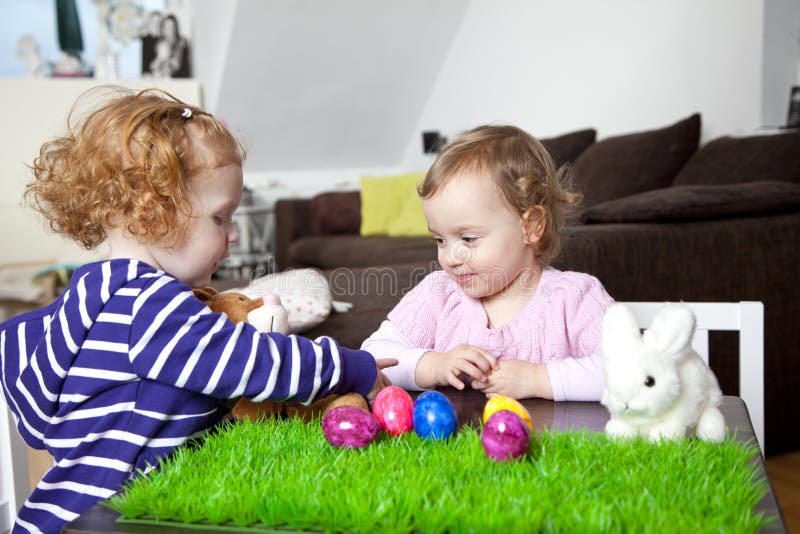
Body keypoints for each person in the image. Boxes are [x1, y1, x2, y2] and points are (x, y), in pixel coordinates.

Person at [0, 87, 394, 534]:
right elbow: (250, 361)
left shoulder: (99, 294)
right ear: (153, 214)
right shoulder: (147, 307)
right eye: (220, 218)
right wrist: (350, 366)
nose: (234, 237)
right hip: (99, 520)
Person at [362, 124, 614, 402]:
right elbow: (373, 356)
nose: (449, 257)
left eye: (468, 238)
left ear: (530, 225)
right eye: (440, 240)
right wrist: (433, 365)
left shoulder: (574, 297)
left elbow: (634, 369)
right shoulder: (439, 293)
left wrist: (538, 379)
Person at [149, 13, 191, 78]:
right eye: (167, 27)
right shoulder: (160, 44)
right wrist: (160, 60)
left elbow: (177, 65)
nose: (170, 30)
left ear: (176, 28)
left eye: (172, 27)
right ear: (163, 29)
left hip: (178, 79)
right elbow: (153, 67)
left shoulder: (181, 43)